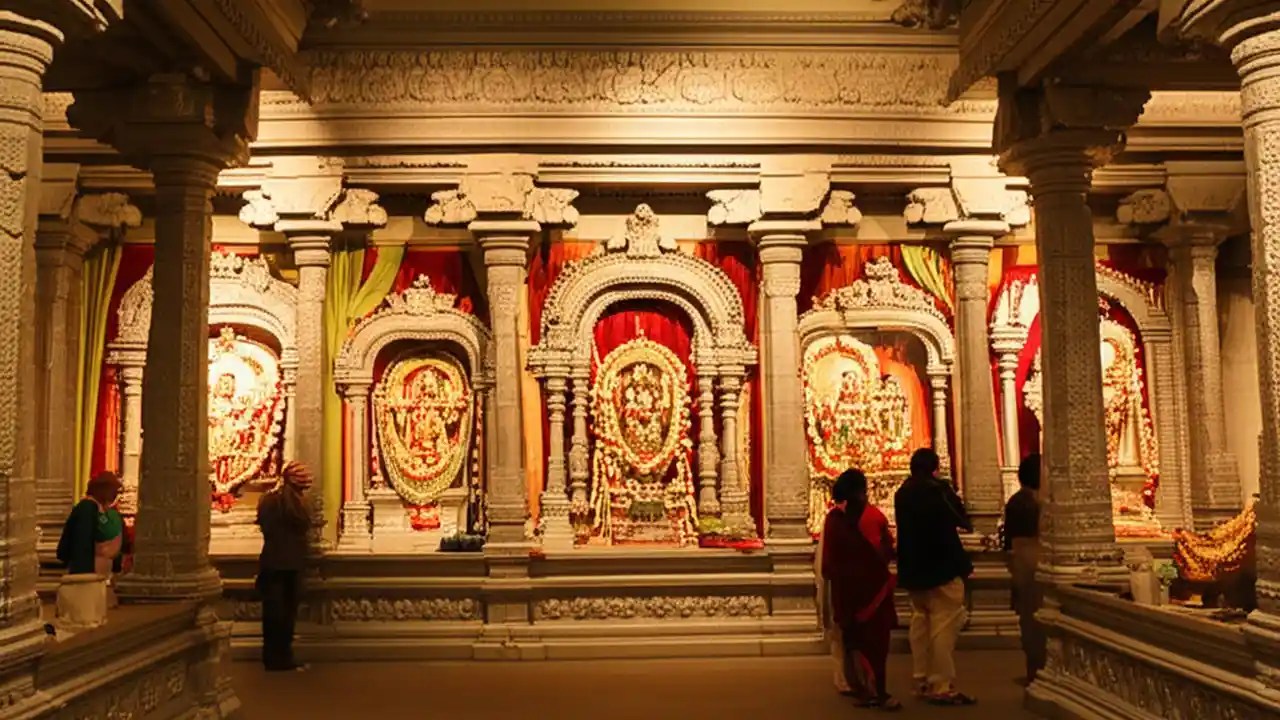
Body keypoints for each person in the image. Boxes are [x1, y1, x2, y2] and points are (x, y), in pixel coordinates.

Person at [894, 448, 976, 706]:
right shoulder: (937, 491)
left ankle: (921, 678)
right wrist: (945, 487)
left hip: (913, 569)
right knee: (943, 625)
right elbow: (962, 520)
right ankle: (940, 682)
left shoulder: (902, 493)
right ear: (934, 468)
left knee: (920, 622)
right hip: (941, 567)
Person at [822, 469, 901, 711]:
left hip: (847, 590)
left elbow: (829, 563)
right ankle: (876, 690)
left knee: (855, 641)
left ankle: (865, 689)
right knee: (875, 643)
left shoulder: (834, 520)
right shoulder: (872, 516)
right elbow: (884, 549)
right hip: (870, 587)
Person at [257, 461, 313, 672]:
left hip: (272, 562)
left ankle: (272, 657)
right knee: (286, 615)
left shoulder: (268, 501)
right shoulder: (298, 506)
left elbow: (264, 526)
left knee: (272, 614)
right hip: (292, 563)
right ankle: (283, 657)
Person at [1003, 453, 1045, 684]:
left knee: (1031, 622)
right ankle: (1036, 671)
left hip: (1024, 564)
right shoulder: (1026, 503)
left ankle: (1036, 670)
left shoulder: (1022, 501)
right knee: (1033, 622)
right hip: (1029, 565)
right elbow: (1022, 541)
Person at [57, 472, 126, 578]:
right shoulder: (89, 510)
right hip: (90, 574)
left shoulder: (90, 509)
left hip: (93, 573)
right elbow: (82, 544)